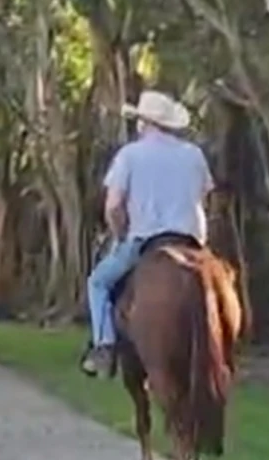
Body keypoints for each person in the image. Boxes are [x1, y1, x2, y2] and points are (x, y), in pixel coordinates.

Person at [81, 88, 214, 378]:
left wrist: (120, 233)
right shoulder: (194, 155)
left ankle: (103, 347)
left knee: (98, 283)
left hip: (145, 240)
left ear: (144, 122)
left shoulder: (130, 155)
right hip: (192, 242)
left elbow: (114, 206)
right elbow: (203, 200)